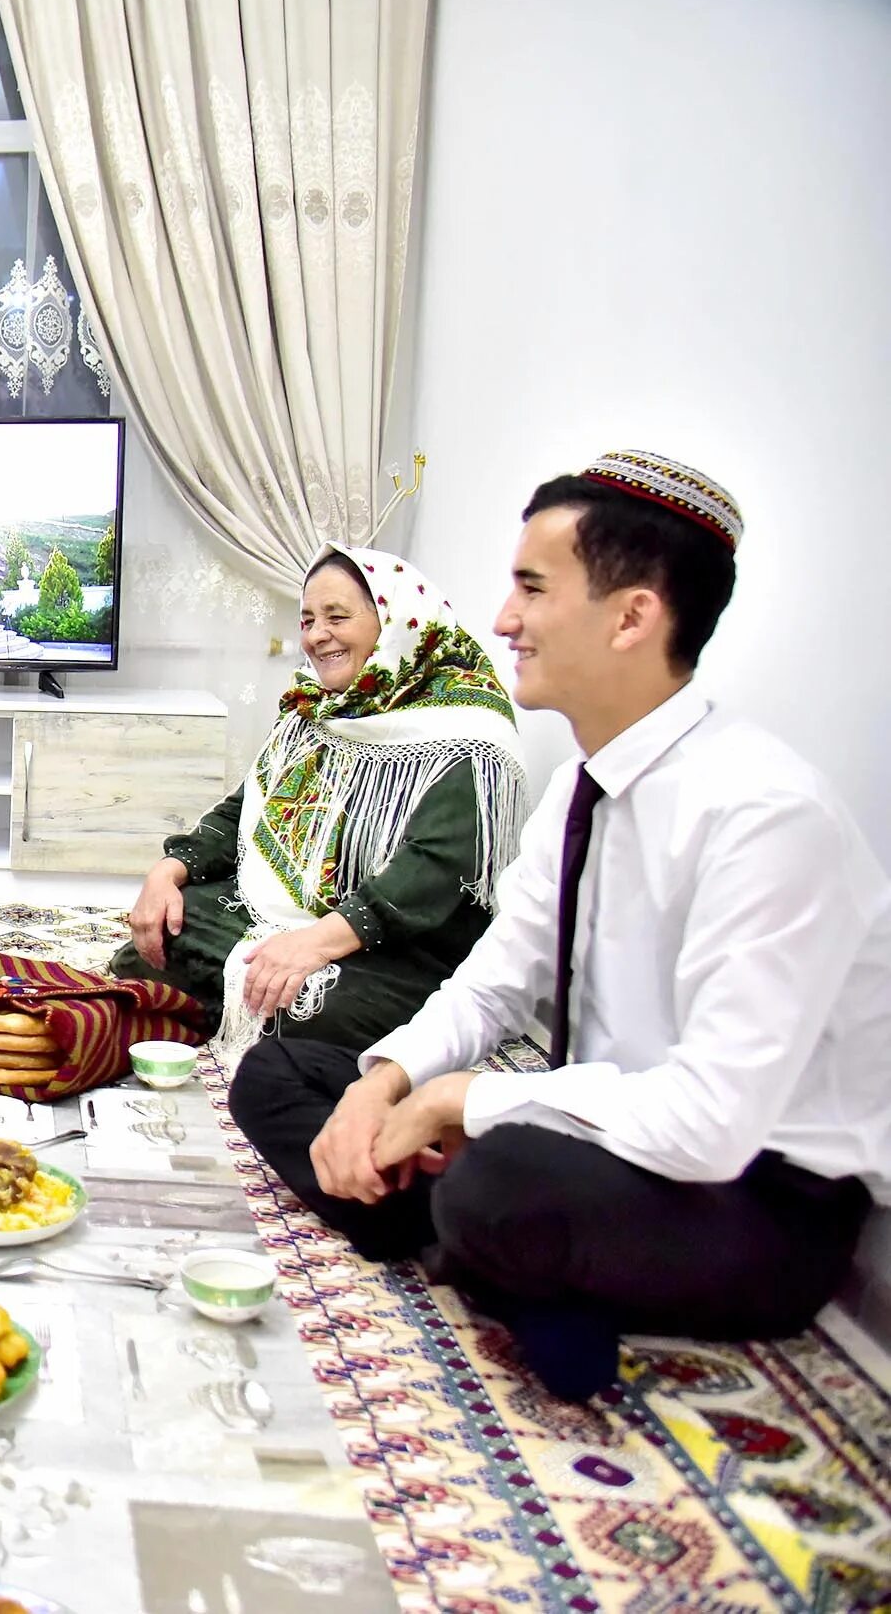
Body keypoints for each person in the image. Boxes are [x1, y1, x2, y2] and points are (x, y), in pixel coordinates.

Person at [229, 451, 891, 1402]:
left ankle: (492, 1242)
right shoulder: (581, 789)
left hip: (754, 1198)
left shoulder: (763, 813)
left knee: (497, 1180)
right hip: (605, 1137)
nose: (501, 619)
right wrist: (390, 1084)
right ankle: (511, 1261)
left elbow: (707, 1126)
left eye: (531, 589)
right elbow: (492, 982)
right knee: (281, 1070)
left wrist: (462, 1103)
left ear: (631, 615)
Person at [113, 546, 526, 1053]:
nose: (315, 636)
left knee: (314, 1009)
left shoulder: (467, 738)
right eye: (308, 619)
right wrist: (168, 872)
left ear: (397, 622)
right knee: (162, 934)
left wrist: (310, 944)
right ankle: (232, 999)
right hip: (281, 916)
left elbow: (430, 872)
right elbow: (245, 809)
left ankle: (221, 1007)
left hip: (390, 945)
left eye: (337, 617)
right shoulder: (318, 710)